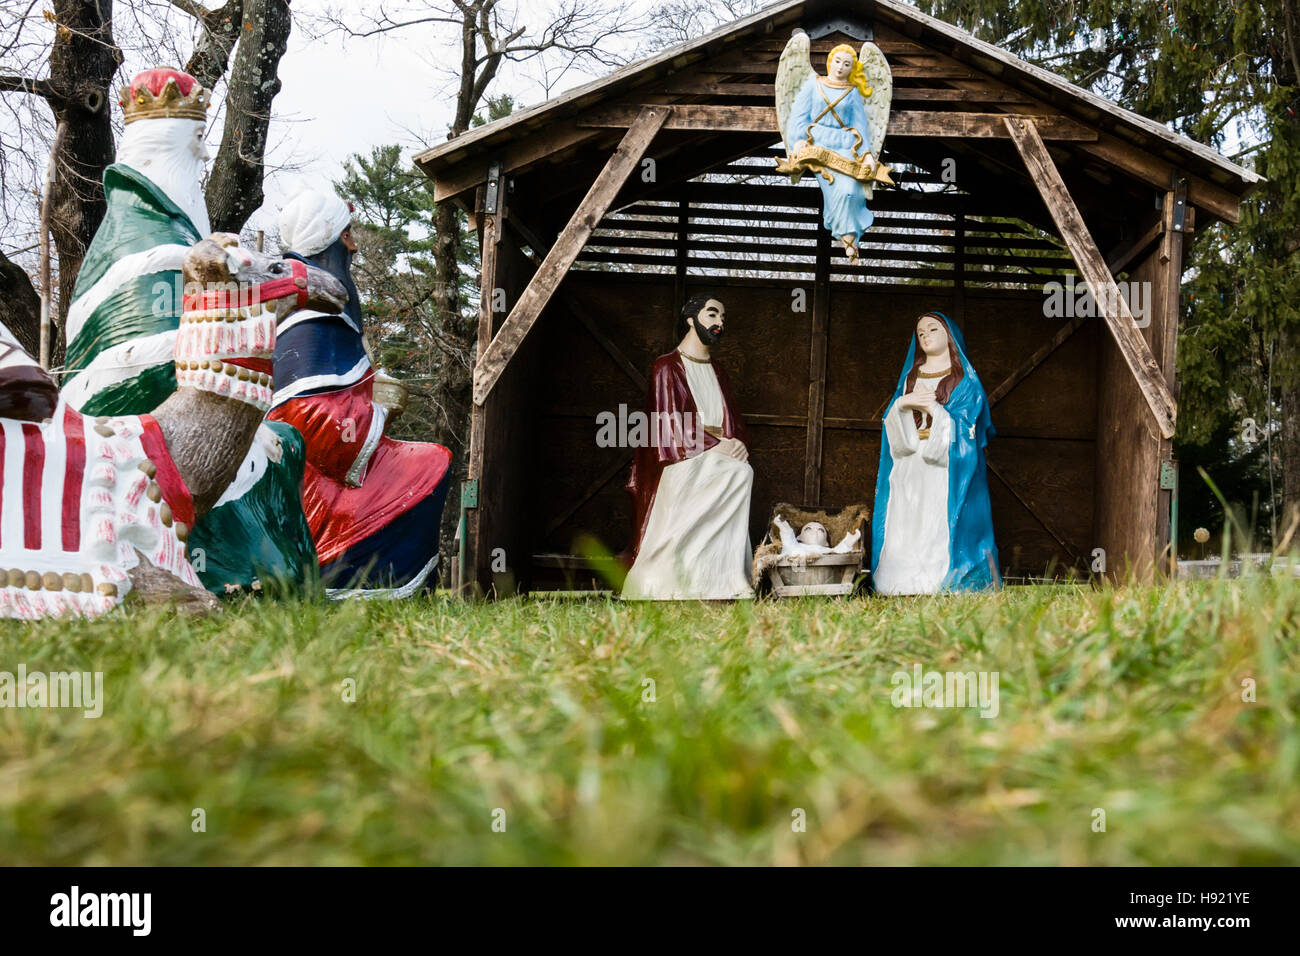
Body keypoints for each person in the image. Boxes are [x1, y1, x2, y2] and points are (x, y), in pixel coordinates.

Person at [59, 67, 318, 594]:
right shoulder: (150, 241)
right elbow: (144, 358)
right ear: (178, 144)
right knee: (273, 450)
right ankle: (238, 573)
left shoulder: (170, 230)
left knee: (283, 441)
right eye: (198, 141)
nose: (203, 155)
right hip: (143, 432)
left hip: (182, 413)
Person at [269, 189, 452, 595]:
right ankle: (362, 580)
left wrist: (371, 394)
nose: (354, 244)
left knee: (428, 462)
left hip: (330, 447)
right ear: (334, 240)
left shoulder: (317, 308)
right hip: (323, 461)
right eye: (347, 233)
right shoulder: (316, 312)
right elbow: (310, 416)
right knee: (431, 466)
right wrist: (377, 409)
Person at [621, 295, 753, 600]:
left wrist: (736, 444)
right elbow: (669, 423)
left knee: (741, 470)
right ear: (691, 319)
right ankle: (670, 577)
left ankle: (722, 576)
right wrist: (716, 444)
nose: (719, 323)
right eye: (712, 314)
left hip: (716, 451)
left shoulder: (717, 370)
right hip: (684, 457)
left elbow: (732, 420)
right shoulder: (666, 366)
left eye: (723, 318)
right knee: (737, 475)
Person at [872, 311, 999, 593]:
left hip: (945, 467)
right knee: (906, 519)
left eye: (932, 330)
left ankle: (940, 577)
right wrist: (903, 404)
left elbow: (968, 425)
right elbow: (891, 419)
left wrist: (935, 412)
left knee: (937, 521)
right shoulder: (911, 377)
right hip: (911, 461)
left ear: (949, 336)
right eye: (921, 334)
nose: (926, 336)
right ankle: (901, 580)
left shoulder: (965, 381)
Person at [786, 44, 879, 260]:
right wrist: (798, 142)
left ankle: (851, 236)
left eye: (847, 64)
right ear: (830, 61)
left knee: (852, 191)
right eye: (837, 61)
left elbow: (860, 126)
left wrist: (866, 155)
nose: (840, 67)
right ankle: (846, 237)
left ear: (851, 68)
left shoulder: (853, 92)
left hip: (846, 146)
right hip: (817, 144)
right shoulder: (814, 84)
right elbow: (798, 117)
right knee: (835, 189)